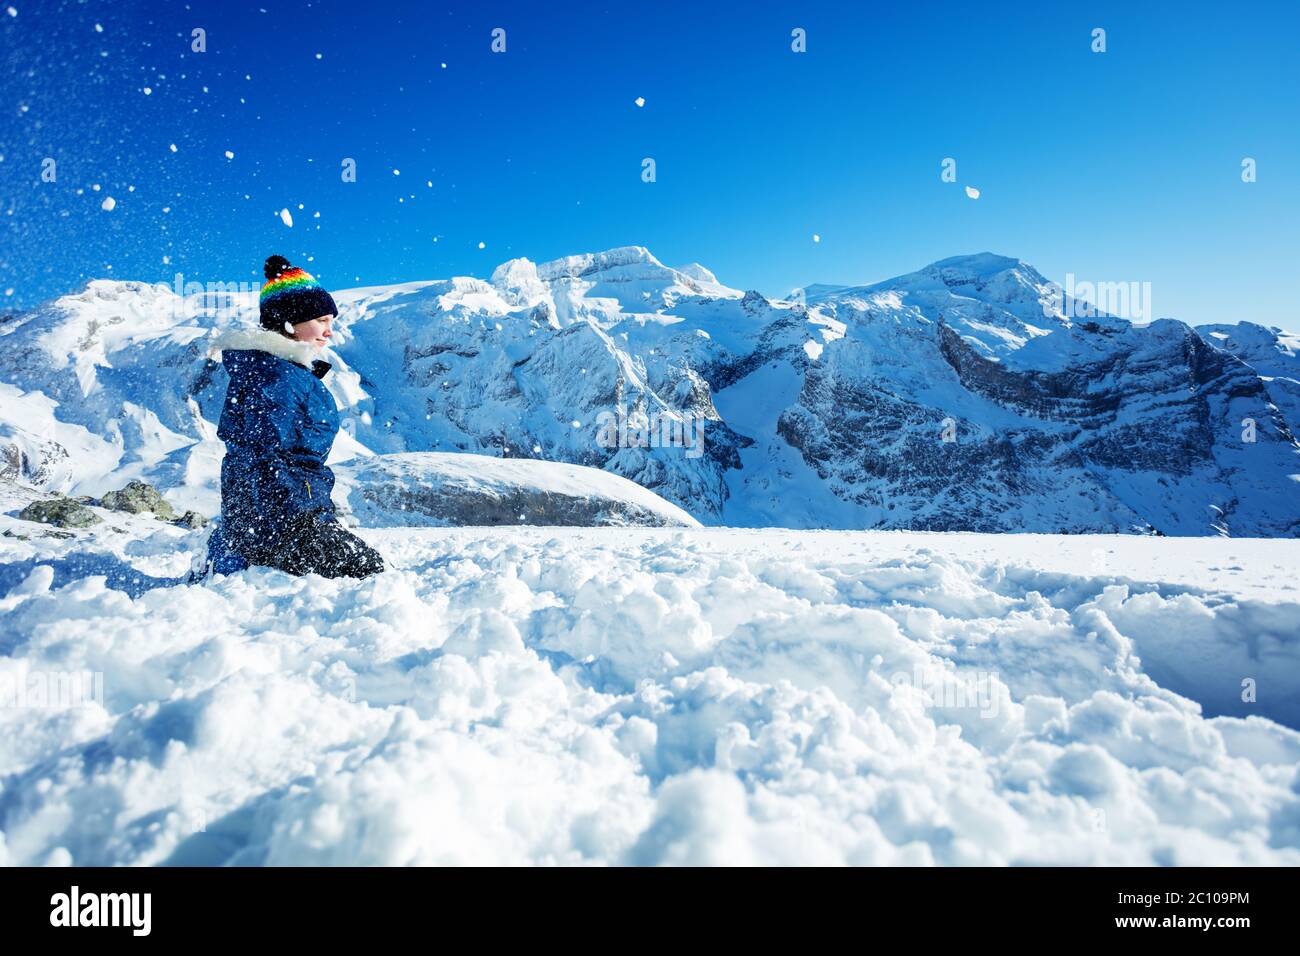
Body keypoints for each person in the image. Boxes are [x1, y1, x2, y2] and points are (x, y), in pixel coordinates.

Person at [199, 255, 385, 579]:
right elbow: (263, 460)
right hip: (281, 526)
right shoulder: (277, 378)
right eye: (322, 320)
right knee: (374, 577)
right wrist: (301, 528)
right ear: (288, 322)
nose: (329, 332)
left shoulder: (281, 371)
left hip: (282, 520)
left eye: (332, 322)